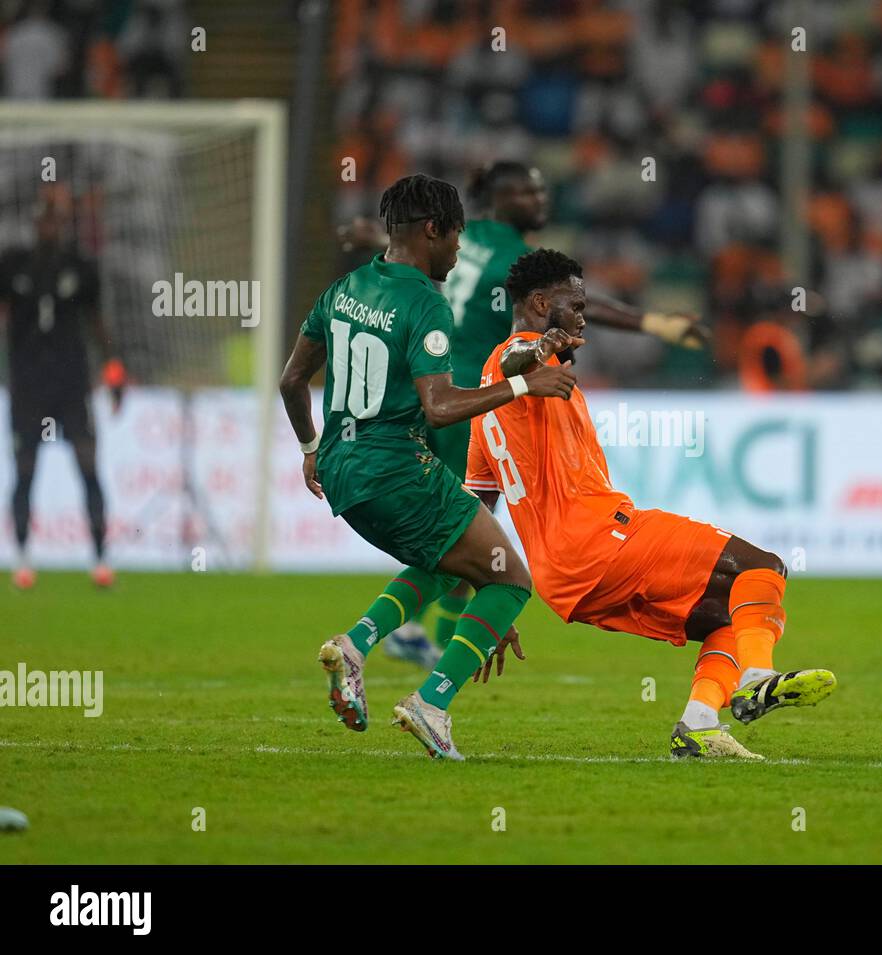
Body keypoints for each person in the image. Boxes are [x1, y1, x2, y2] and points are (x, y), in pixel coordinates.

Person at [464, 249, 837, 759]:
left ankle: (700, 725)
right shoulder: (526, 357)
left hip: (562, 580)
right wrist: (540, 349)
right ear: (538, 302)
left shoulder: (484, 409)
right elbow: (514, 357)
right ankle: (757, 678)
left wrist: (488, 597)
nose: (582, 318)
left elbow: (478, 510)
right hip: (602, 538)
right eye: (574, 306)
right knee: (764, 567)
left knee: (730, 613)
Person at [339, 161, 709, 669]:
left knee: (462, 537)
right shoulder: (515, 256)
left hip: (438, 391)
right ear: (503, 198)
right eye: (531, 194)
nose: (542, 202)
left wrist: (373, 237)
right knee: (467, 540)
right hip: (481, 399)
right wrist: (656, 322)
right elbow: (576, 303)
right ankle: (442, 643)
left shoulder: (462, 240)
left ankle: (403, 634)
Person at [279, 175, 577, 760]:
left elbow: (291, 381)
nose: (460, 251)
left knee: (453, 563)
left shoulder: (344, 288)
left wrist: (311, 448)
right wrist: (524, 382)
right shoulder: (424, 303)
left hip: (341, 469)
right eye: (457, 236)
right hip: (395, 471)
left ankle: (356, 645)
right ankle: (431, 703)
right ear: (434, 230)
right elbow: (440, 408)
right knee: (513, 581)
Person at [1, 186, 124, 589]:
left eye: (57, 219)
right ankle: (22, 558)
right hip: (28, 386)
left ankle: (101, 559)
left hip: (72, 386)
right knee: (25, 470)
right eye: (45, 219)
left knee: (88, 466)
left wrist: (113, 371)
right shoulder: (13, 265)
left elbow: (97, 323)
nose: (50, 226)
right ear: (35, 223)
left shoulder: (81, 267)